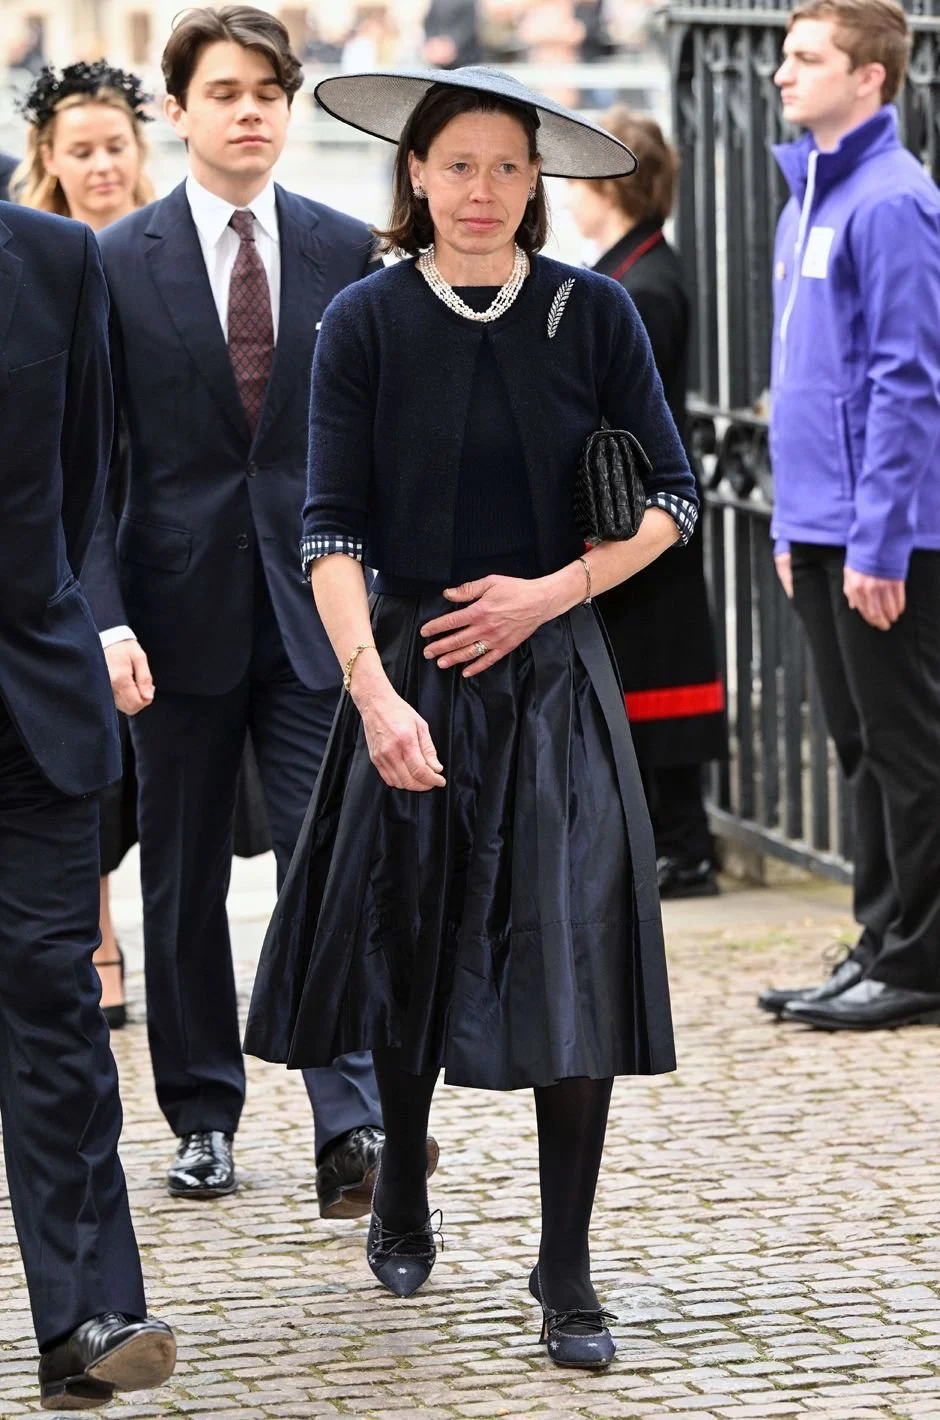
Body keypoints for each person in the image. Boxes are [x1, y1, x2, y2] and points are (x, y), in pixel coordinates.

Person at [245, 65, 699, 1367]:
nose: (485, 191)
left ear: (537, 182)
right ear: (417, 177)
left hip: (557, 682)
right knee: (409, 942)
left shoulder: (597, 313)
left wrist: (551, 594)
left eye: (510, 167)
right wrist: (374, 695)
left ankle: (567, 1270)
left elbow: (673, 500)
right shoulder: (364, 323)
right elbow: (326, 532)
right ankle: (399, 1180)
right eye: (460, 166)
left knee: (575, 961)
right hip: (408, 677)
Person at [80, 5, 423, 1211]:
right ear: (178, 112)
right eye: (225, 92)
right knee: (178, 884)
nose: (250, 112)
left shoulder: (347, 251)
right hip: (170, 627)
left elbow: (391, 447)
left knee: (334, 862)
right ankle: (203, 1117)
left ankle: (350, 1118)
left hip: (321, 613)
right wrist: (107, 619)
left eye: (269, 93)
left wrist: (386, 603)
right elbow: (93, 472)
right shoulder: (114, 263)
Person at [14, 58, 274, 1031]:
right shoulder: (35, 259)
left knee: (141, 784)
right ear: (49, 158)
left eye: (114, 147)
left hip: (155, 547)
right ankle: (95, 932)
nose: (100, 167)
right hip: (52, 540)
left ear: (141, 146)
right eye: (78, 152)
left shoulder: (162, 252)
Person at [0, 198, 175, 1410]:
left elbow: (87, 473)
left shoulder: (56, 260)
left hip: (32, 704)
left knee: (56, 1004)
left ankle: (87, 1315)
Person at [760, 0, 940, 1029]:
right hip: (821, 524)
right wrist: (793, 526)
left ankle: (920, 958)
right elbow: (802, 382)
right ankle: (878, 941)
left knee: (908, 751)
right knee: (857, 747)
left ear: (868, 77)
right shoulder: (806, 202)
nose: (782, 74)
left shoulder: (892, 201)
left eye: (805, 57)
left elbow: (907, 381)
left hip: (885, 534)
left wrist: (878, 538)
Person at [568, 108, 726, 899]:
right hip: (629, 515)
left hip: (643, 516)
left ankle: (686, 847)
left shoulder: (644, 281)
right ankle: (666, 840)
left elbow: (634, 414)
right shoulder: (627, 270)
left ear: (609, 183)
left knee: (661, 678)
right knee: (643, 678)